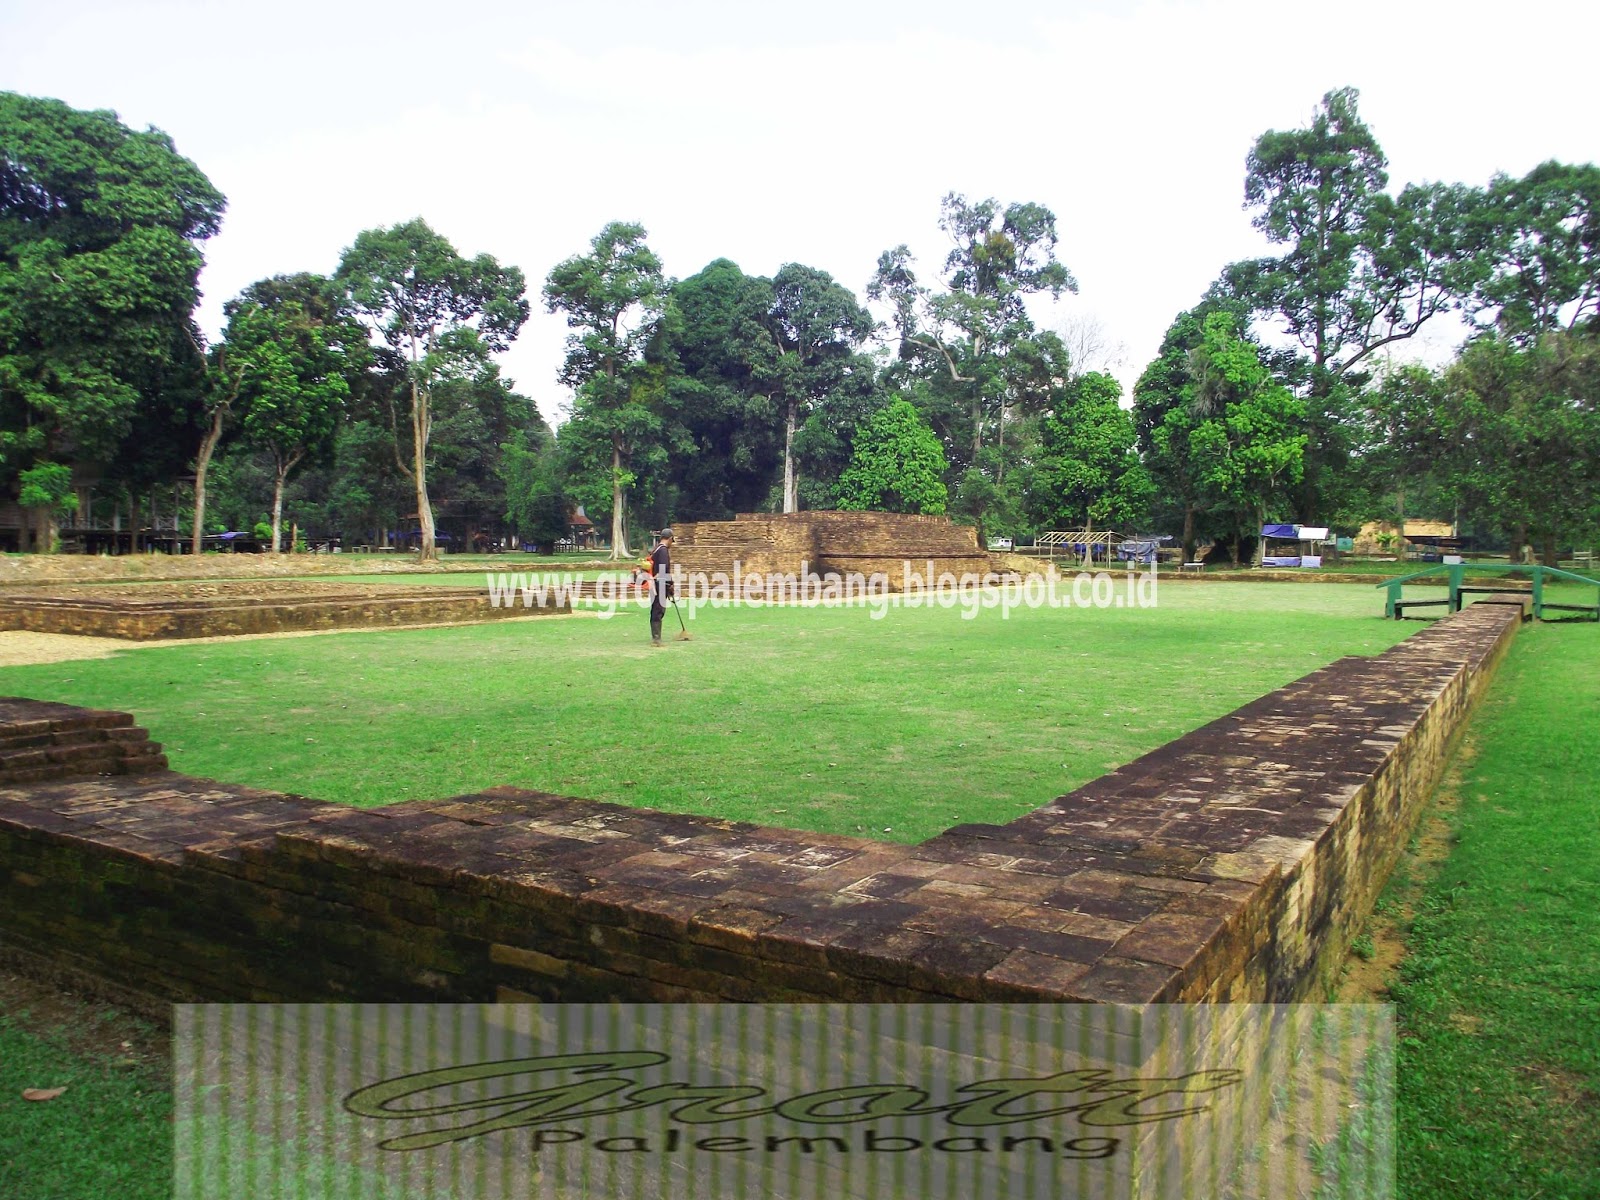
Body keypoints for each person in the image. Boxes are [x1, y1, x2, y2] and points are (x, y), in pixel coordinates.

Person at [647, 528, 674, 646]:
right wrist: (670, 585)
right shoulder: (663, 551)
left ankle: (656, 636)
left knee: (656, 609)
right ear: (670, 539)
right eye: (672, 540)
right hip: (659, 584)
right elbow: (663, 570)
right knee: (658, 609)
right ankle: (656, 638)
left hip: (655, 583)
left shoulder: (656, 549)